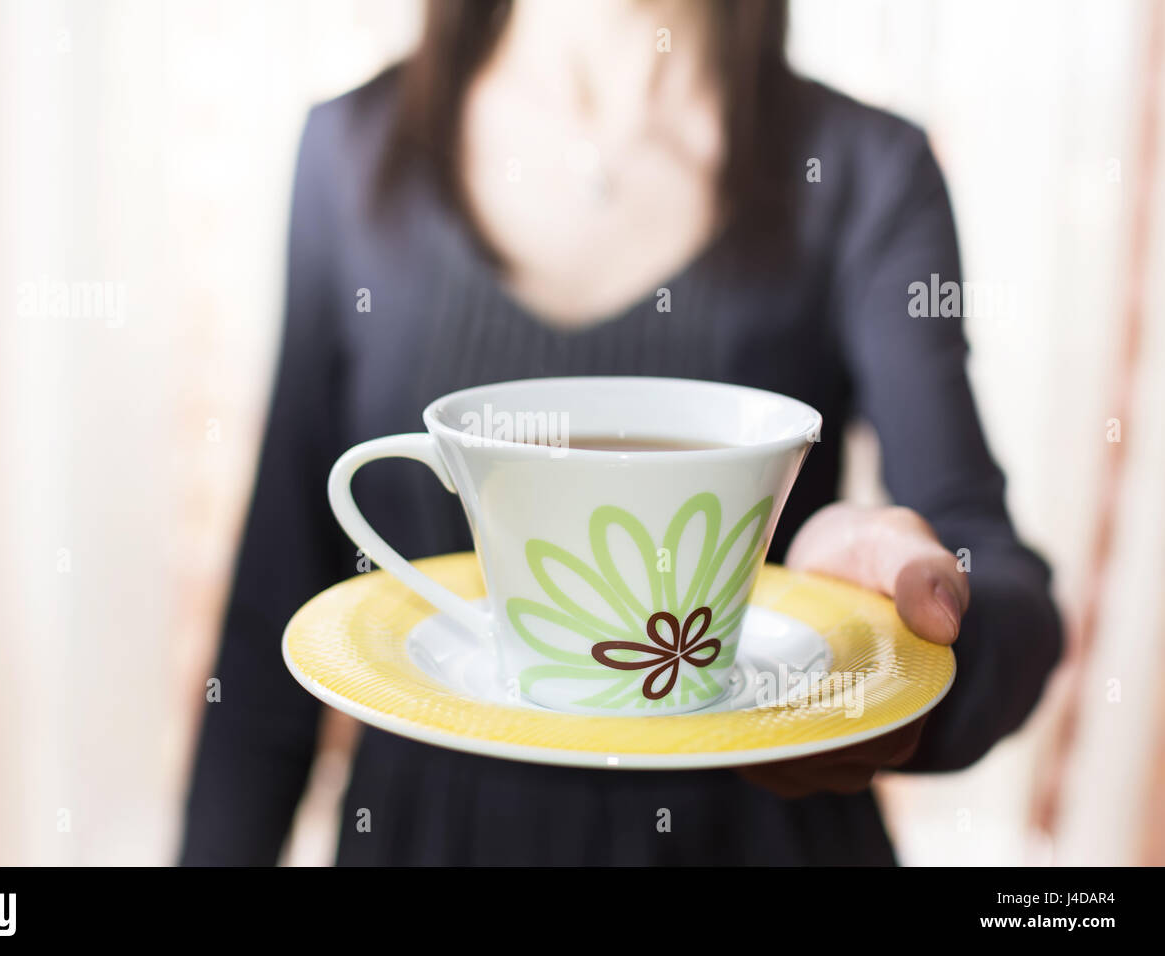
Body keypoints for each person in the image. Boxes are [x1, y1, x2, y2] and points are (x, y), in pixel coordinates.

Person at [180, 0, 1063, 865]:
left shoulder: (866, 169)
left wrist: (917, 648)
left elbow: (997, 569)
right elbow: (272, 621)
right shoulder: (349, 154)